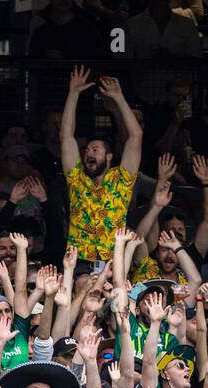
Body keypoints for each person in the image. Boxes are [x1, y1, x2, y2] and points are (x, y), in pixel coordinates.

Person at [60, 66, 142, 264]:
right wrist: (73, 93)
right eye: (87, 150)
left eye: (95, 150)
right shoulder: (76, 178)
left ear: (109, 157)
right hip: (78, 261)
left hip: (114, 261)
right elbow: (66, 136)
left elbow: (136, 135)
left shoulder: (121, 179)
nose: (89, 152)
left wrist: (118, 97)